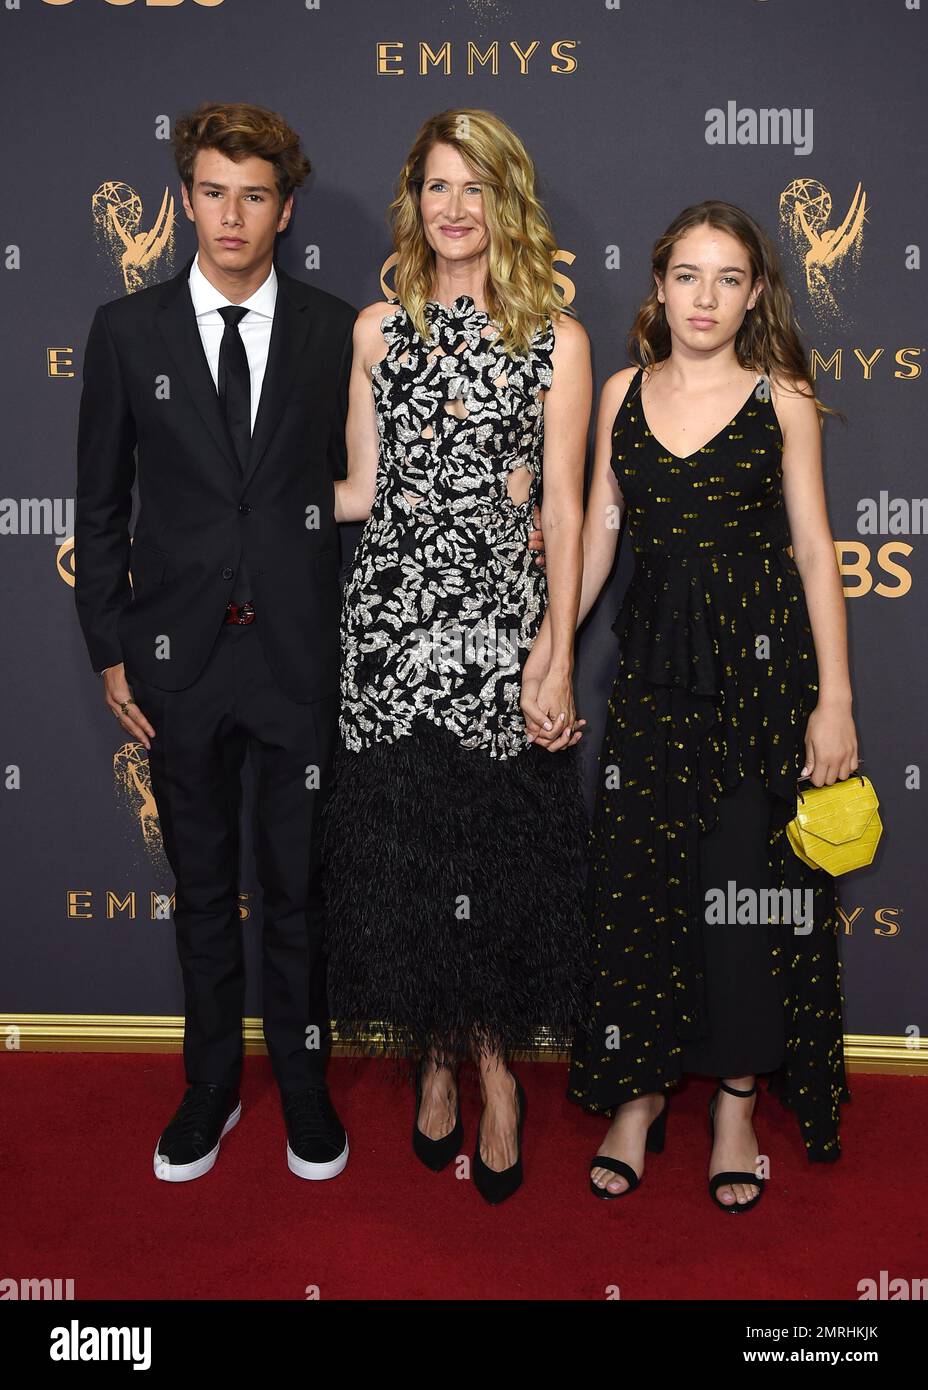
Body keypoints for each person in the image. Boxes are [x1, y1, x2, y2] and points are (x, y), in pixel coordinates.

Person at [529, 201, 856, 1211]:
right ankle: (636, 1094)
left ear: (754, 292)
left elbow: (814, 556)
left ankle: (734, 1104)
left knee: (745, 897)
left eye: (726, 278)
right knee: (639, 893)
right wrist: (550, 658)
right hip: (653, 688)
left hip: (763, 692)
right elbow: (595, 541)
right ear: (657, 286)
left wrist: (834, 701)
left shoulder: (783, 398)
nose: (704, 297)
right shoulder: (622, 391)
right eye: (686, 276)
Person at [74, 101, 357, 1183]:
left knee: (295, 887)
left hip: (296, 655)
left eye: (253, 196)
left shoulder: (338, 328)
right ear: (183, 199)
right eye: (210, 191)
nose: (230, 215)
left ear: (284, 211)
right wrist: (111, 643)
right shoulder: (123, 332)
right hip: (173, 663)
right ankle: (208, 1089)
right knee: (201, 887)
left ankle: (302, 1087)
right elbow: (98, 506)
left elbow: (363, 486)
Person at [323, 108, 592, 1204]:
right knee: (413, 863)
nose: (454, 208)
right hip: (389, 631)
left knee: (486, 867)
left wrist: (556, 650)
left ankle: (495, 1077)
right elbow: (361, 489)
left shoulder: (556, 338)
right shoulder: (375, 333)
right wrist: (231, 499)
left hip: (495, 637)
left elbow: (567, 509)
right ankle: (433, 1062)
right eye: (437, 186)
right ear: (413, 201)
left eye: (475, 188)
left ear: (505, 201)